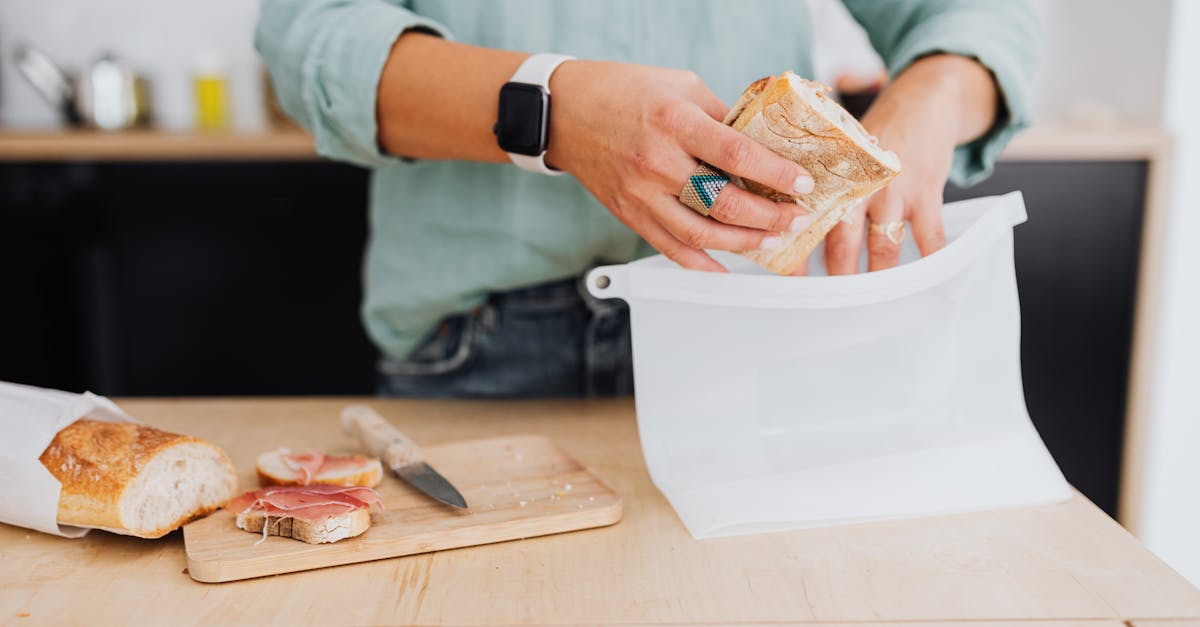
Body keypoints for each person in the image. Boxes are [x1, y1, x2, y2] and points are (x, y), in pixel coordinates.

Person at [256, 0, 1038, 398]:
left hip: (748, 332)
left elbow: (982, 16)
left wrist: (925, 102)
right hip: (475, 346)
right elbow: (313, 44)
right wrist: (552, 109)